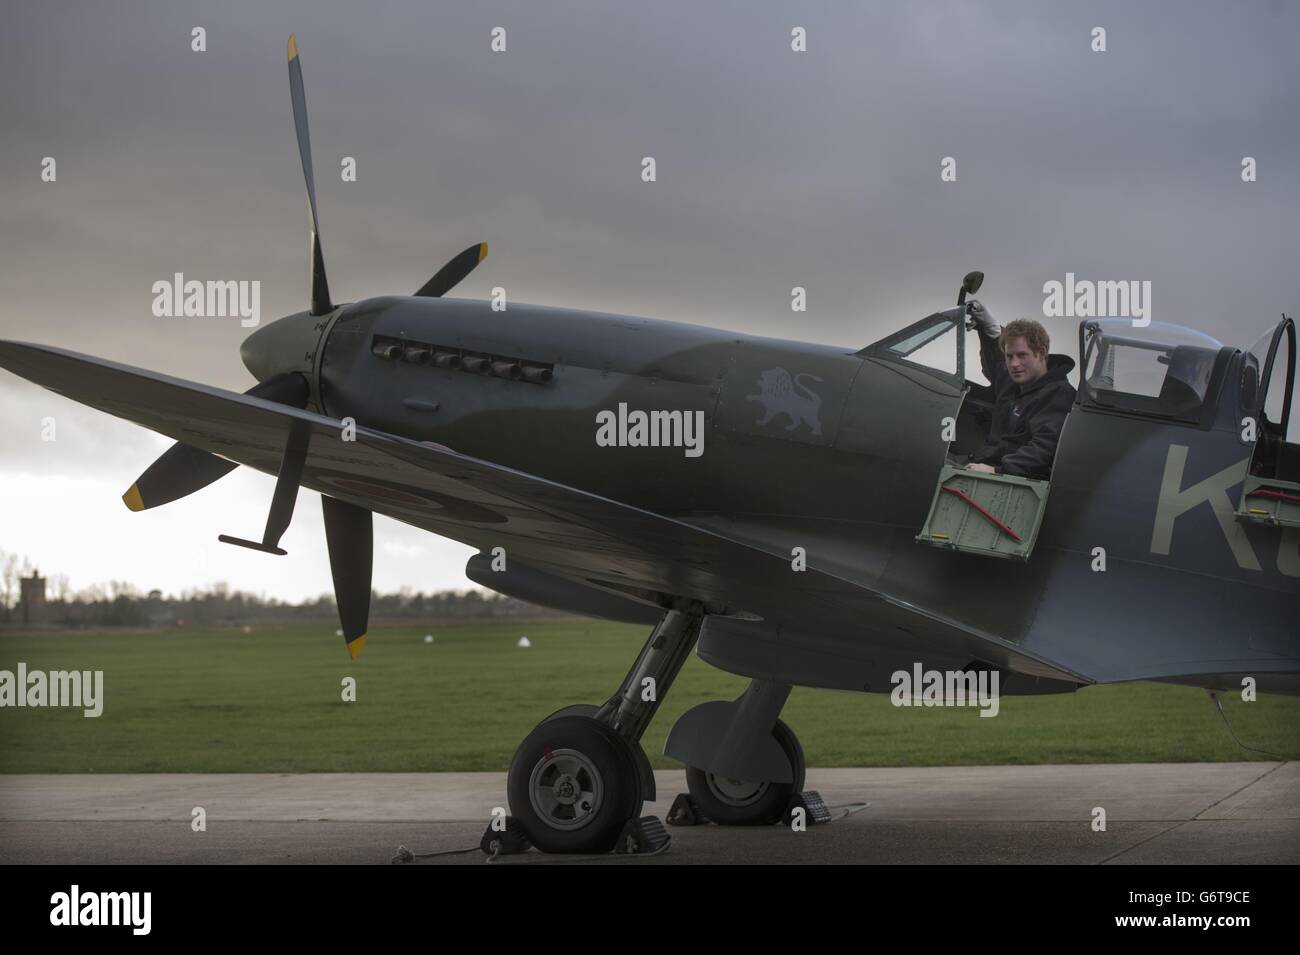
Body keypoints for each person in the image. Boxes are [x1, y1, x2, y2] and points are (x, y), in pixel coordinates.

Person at [964, 302, 1076, 480]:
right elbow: (997, 364)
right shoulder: (1015, 381)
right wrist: (990, 329)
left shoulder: (1058, 393)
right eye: (1010, 356)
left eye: (1022, 355)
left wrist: (998, 471)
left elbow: (1045, 445)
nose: (1014, 364)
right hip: (985, 461)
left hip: (1008, 475)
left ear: (1041, 353)